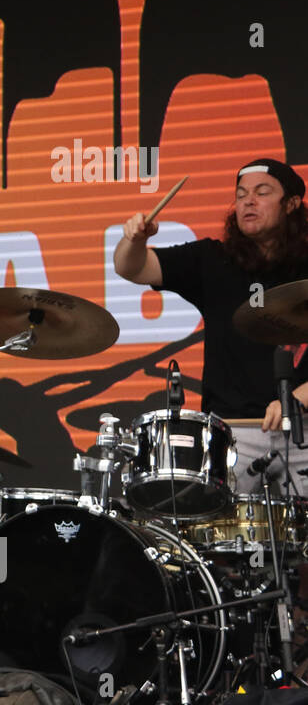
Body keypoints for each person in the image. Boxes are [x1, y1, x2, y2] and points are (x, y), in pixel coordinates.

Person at [113, 157, 308, 493]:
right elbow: (131, 268)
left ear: (291, 204)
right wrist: (134, 239)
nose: (248, 200)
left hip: (305, 424)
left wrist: (303, 395)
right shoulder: (212, 260)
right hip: (233, 433)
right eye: (242, 193)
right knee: (221, 540)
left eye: (262, 192)